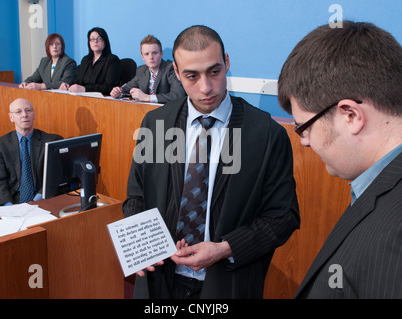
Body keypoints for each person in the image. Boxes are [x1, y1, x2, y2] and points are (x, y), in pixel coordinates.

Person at [122, 25, 300, 299]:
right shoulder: (155, 124)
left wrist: (226, 247)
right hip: (160, 283)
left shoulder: (265, 134)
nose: (206, 88)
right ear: (177, 74)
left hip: (228, 283)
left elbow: (283, 217)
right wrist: (141, 246)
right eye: (192, 76)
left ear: (227, 63)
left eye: (214, 72)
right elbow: (136, 195)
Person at [277, 21, 402, 298]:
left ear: (350, 115)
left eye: (304, 127)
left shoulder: (401, 235)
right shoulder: (389, 185)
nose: (305, 140)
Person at [0, 98, 63, 206]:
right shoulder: (0, 145)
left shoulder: (52, 141)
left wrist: (37, 200)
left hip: (42, 199)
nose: (24, 115)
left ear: (34, 115)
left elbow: (54, 177)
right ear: (11, 117)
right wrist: (9, 206)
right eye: (18, 112)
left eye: (28, 110)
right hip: (12, 201)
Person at [110, 35, 185, 104]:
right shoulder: (141, 70)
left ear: (161, 54)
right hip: (146, 112)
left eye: (154, 53)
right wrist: (118, 92)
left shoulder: (170, 68)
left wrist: (147, 97)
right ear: (142, 57)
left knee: (158, 119)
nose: (151, 57)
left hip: (165, 115)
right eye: (146, 54)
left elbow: (178, 96)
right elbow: (126, 88)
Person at [61, 27, 121, 95]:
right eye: (92, 39)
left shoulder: (112, 60)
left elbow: (109, 87)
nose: (95, 41)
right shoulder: (85, 60)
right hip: (84, 97)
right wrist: (69, 85)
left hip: (103, 99)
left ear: (105, 41)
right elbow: (79, 81)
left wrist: (85, 89)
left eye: (99, 38)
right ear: (89, 43)